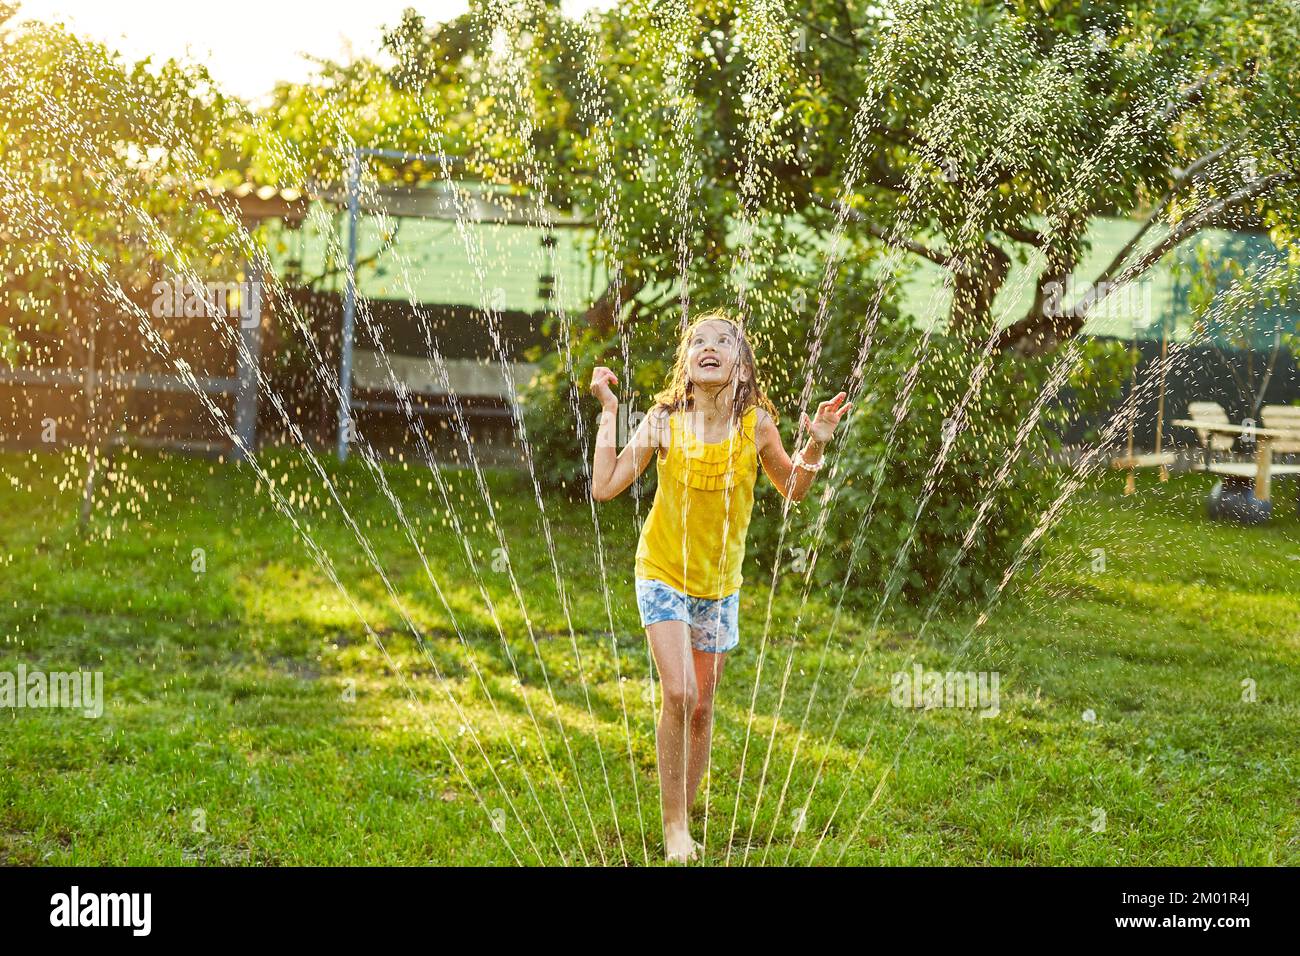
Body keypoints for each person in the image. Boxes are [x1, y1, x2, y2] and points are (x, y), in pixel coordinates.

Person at [589, 308, 852, 862]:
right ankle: (673, 828)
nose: (709, 347)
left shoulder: (756, 425)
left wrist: (818, 443)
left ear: (740, 362)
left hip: (719, 587)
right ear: (687, 362)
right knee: (680, 693)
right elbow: (605, 486)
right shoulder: (663, 420)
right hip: (661, 573)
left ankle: (685, 811)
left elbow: (793, 488)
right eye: (698, 342)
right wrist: (610, 413)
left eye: (723, 342)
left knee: (703, 708)